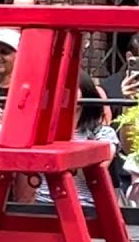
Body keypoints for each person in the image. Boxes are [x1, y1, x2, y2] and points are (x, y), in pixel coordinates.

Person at [34, 73, 120, 207]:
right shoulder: (42, 131)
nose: (63, 92)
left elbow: (98, 168)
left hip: (85, 206)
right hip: (44, 203)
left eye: (70, 87)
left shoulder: (102, 133)